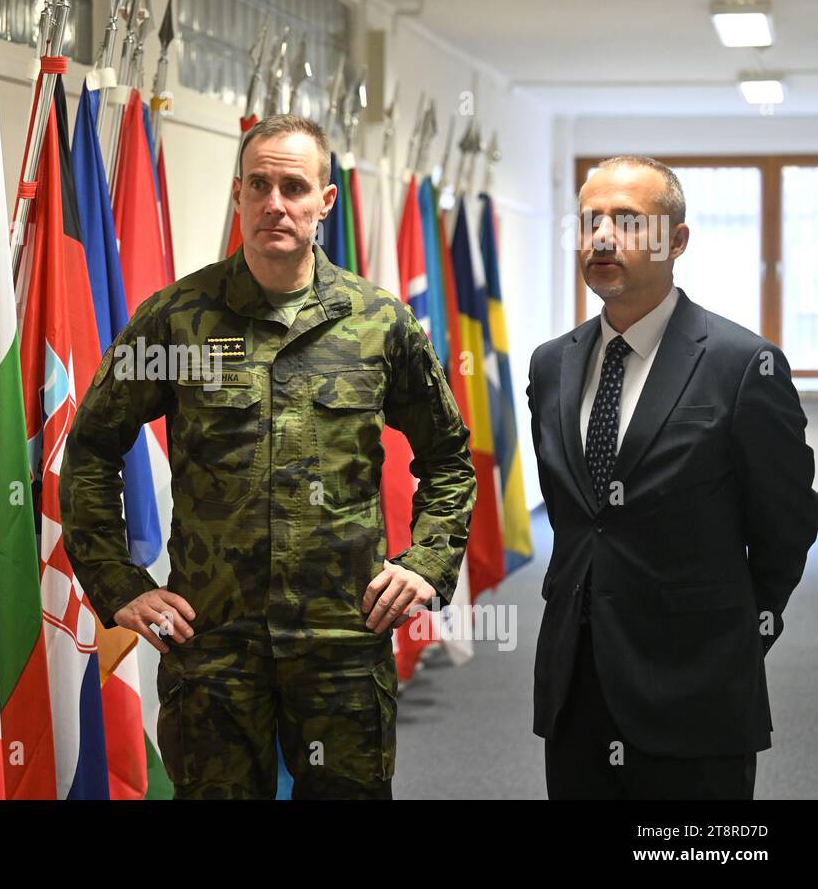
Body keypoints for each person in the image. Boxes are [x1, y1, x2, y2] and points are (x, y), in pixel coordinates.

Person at [58, 114, 475, 799]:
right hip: (215, 650)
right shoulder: (176, 318)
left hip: (342, 641)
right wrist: (118, 581)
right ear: (239, 194)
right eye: (259, 185)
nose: (274, 203)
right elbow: (93, 447)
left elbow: (449, 459)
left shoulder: (381, 322)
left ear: (325, 202)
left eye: (292, 186)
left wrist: (425, 563)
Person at [527, 155, 818, 799]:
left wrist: (735, 638)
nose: (601, 236)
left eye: (627, 221)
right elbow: (577, 520)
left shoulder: (744, 366)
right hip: (575, 684)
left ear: (677, 241)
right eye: (589, 220)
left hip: (695, 688)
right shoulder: (552, 365)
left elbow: (787, 526)